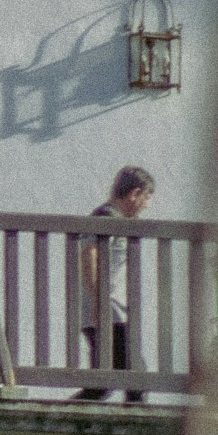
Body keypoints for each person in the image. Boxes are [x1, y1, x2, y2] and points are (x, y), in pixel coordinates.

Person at [78, 162, 156, 397]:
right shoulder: (106, 216)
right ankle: (140, 428)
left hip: (111, 311)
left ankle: (66, 420)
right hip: (107, 311)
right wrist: (99, 300)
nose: (147, 206)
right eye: (147, 198)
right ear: (135, 194)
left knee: (106, 382)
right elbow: (89, 254)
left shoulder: (115, 218)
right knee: (134, 374)